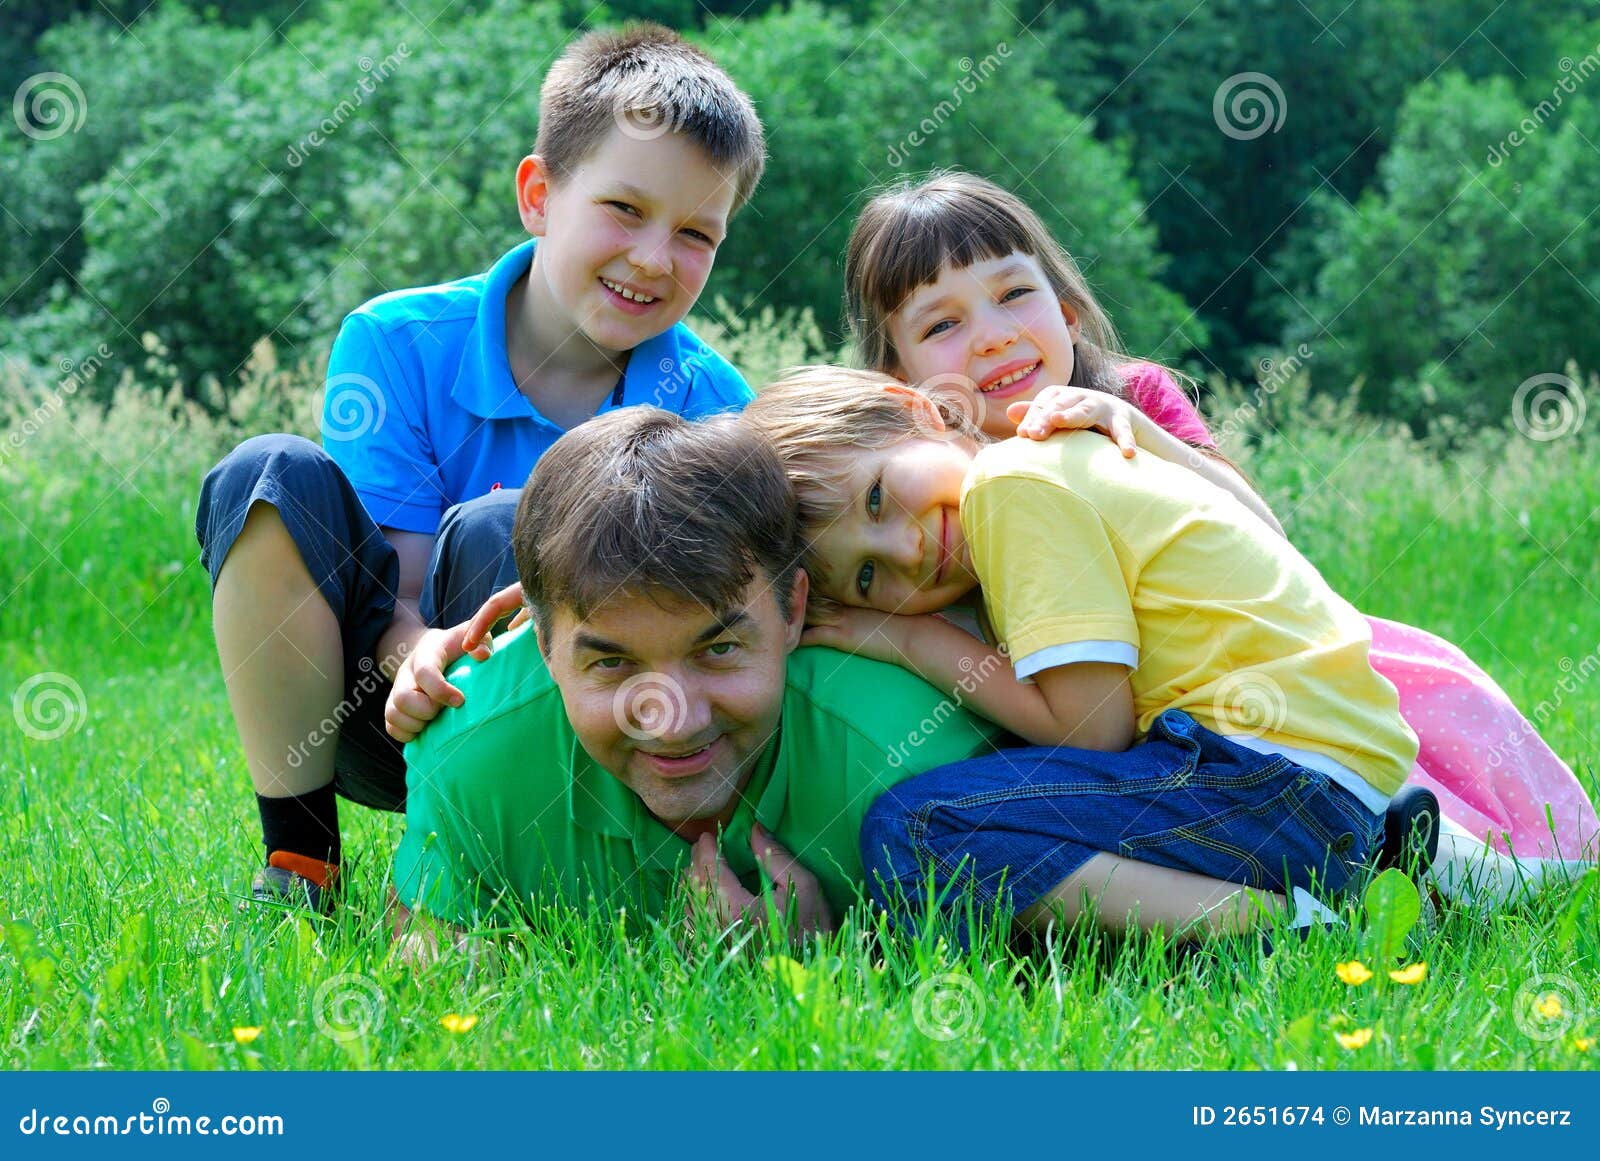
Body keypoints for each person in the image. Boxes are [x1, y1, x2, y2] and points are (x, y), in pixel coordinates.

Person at [838, 170, 1598, 891]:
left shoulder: (1115, 409)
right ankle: (1387, 859)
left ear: (1066, 311)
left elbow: (1265, 532)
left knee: (938, 824)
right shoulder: (941, 505)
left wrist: (1142, 431)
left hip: (1244, 712)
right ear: (898, 382)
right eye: (943, 323)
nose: (994, 336)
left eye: (1014, 294)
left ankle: (1357, 881)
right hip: (1189, 721)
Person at [194, 24, 766, 912]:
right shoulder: (394, 340)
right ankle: (300, 866)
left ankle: (526, 866)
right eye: (623, 209)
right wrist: (418, 652)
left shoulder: (716, 403)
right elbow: (400, 589)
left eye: (697, 233)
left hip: (589, 721)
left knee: (519, 524)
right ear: (539, 195)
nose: (654, 259)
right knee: (265, 477)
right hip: (383, 701)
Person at [740, 368, 1420, 943]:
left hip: (1272, 777)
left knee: (916, 829)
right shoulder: (1041, 472)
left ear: (919, 412)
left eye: (879, 499)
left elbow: (1095, 732)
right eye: (866, 577)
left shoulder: (1006, 489)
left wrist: (913, 640)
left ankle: (1281, 926)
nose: (905, 552)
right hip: (1317, 774)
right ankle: (1368, 858)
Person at [388, 407, 1003, 950]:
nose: (673, 720)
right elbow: (427, 950)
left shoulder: (913, 757)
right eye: (612, 663)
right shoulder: (470, 747)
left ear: (794, 611)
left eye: (719, 649)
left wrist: (842, 959)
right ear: (543, 645)